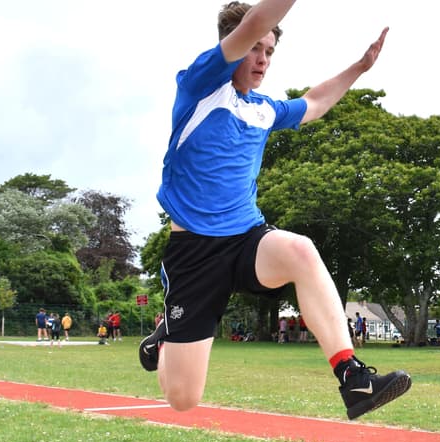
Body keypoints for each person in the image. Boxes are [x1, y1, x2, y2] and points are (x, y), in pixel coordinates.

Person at [138, 0, 409, 420]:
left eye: (269, 52)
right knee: (183, 398)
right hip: (193, 252)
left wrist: (359, 68)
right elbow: (257, 20)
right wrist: (260, 25)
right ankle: (167, 336)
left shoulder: (264, 110)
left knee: (301, 250)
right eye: (255, 49)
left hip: (247, 238)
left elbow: (315, 103)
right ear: (234, 44)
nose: (262, 60)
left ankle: (353, 379)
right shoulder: (202, 85)